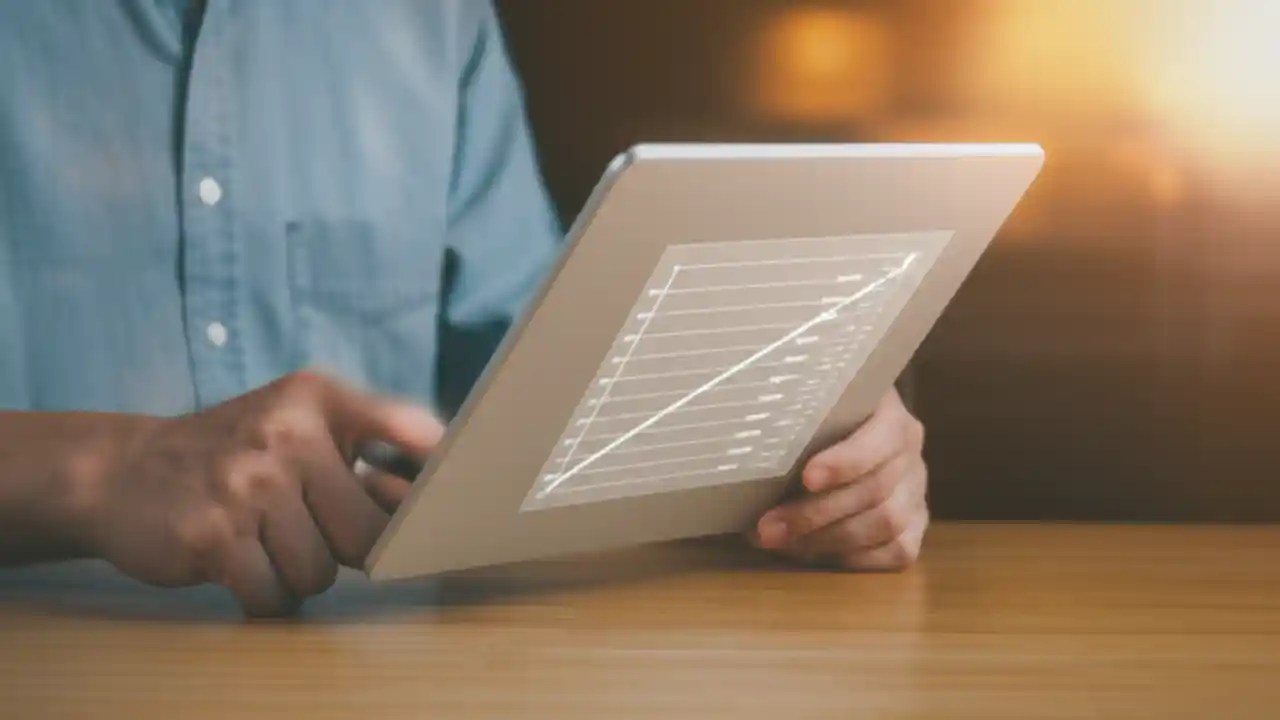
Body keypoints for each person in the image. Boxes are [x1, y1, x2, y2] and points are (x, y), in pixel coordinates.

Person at [0, 1, 930, 616]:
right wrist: (93, 471)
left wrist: (797, 447)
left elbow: (551, 395)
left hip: (389, 680)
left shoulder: (431, 18)